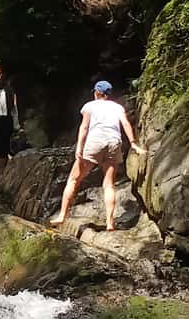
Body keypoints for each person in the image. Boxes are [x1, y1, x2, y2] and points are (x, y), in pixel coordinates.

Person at [50, 81, 145, 231]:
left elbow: (85, 126)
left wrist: (79, 148)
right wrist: (133, 143)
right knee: (109, 184)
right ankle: (110, 223)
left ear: (97, 92)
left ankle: (62, 216)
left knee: (74, 179)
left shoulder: (90, 106)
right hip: (114, 141)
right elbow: (126, 124)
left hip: (95, 141)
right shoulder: (117, 107)